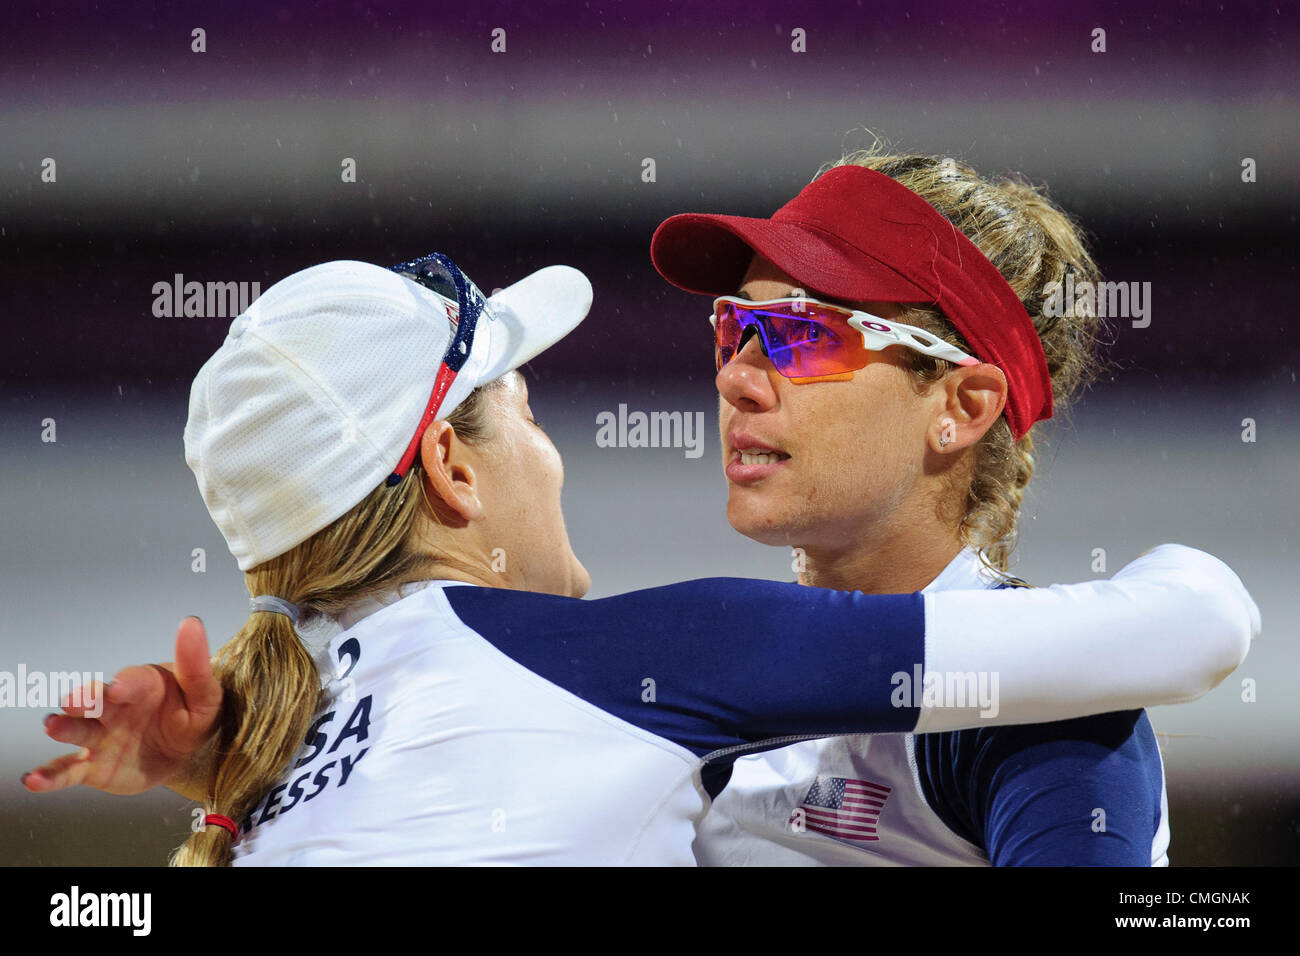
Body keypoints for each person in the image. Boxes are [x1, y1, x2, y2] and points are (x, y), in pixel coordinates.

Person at [23, 249, 1257, 867]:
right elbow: (1199, 623)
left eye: (798, 338)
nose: (734, 375)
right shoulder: (653, 659)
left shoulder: (276, 747)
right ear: (452, 470)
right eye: (530, 417)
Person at [649, 147, 1217, 865]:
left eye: (801, 334)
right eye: (735, 329)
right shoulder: (710, 678)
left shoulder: (1042, 712)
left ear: (963, 405)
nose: (737, 378)